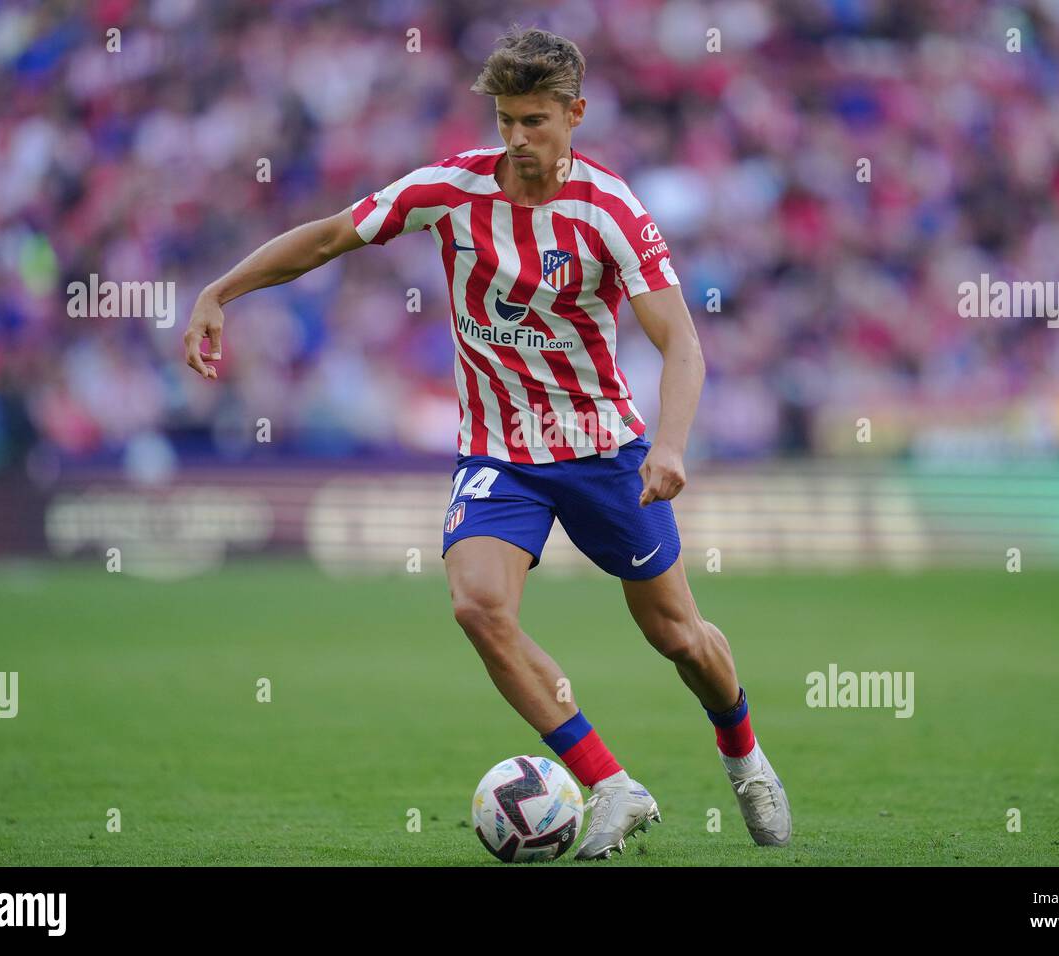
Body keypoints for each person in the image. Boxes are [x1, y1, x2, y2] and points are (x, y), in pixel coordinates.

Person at [183, 26, 790, 860]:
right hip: (499, 455)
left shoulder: (611, 210)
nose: (517, 139)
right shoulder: (448, 190)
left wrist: (672, 445)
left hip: (603, 449)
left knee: (679, 636)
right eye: (506, 120)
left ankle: (745, 757)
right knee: (477, 607)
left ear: (575, 113)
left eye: (536, 121)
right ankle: (613, 784)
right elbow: (328, 236)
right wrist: (222, 289)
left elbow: (681, 342)